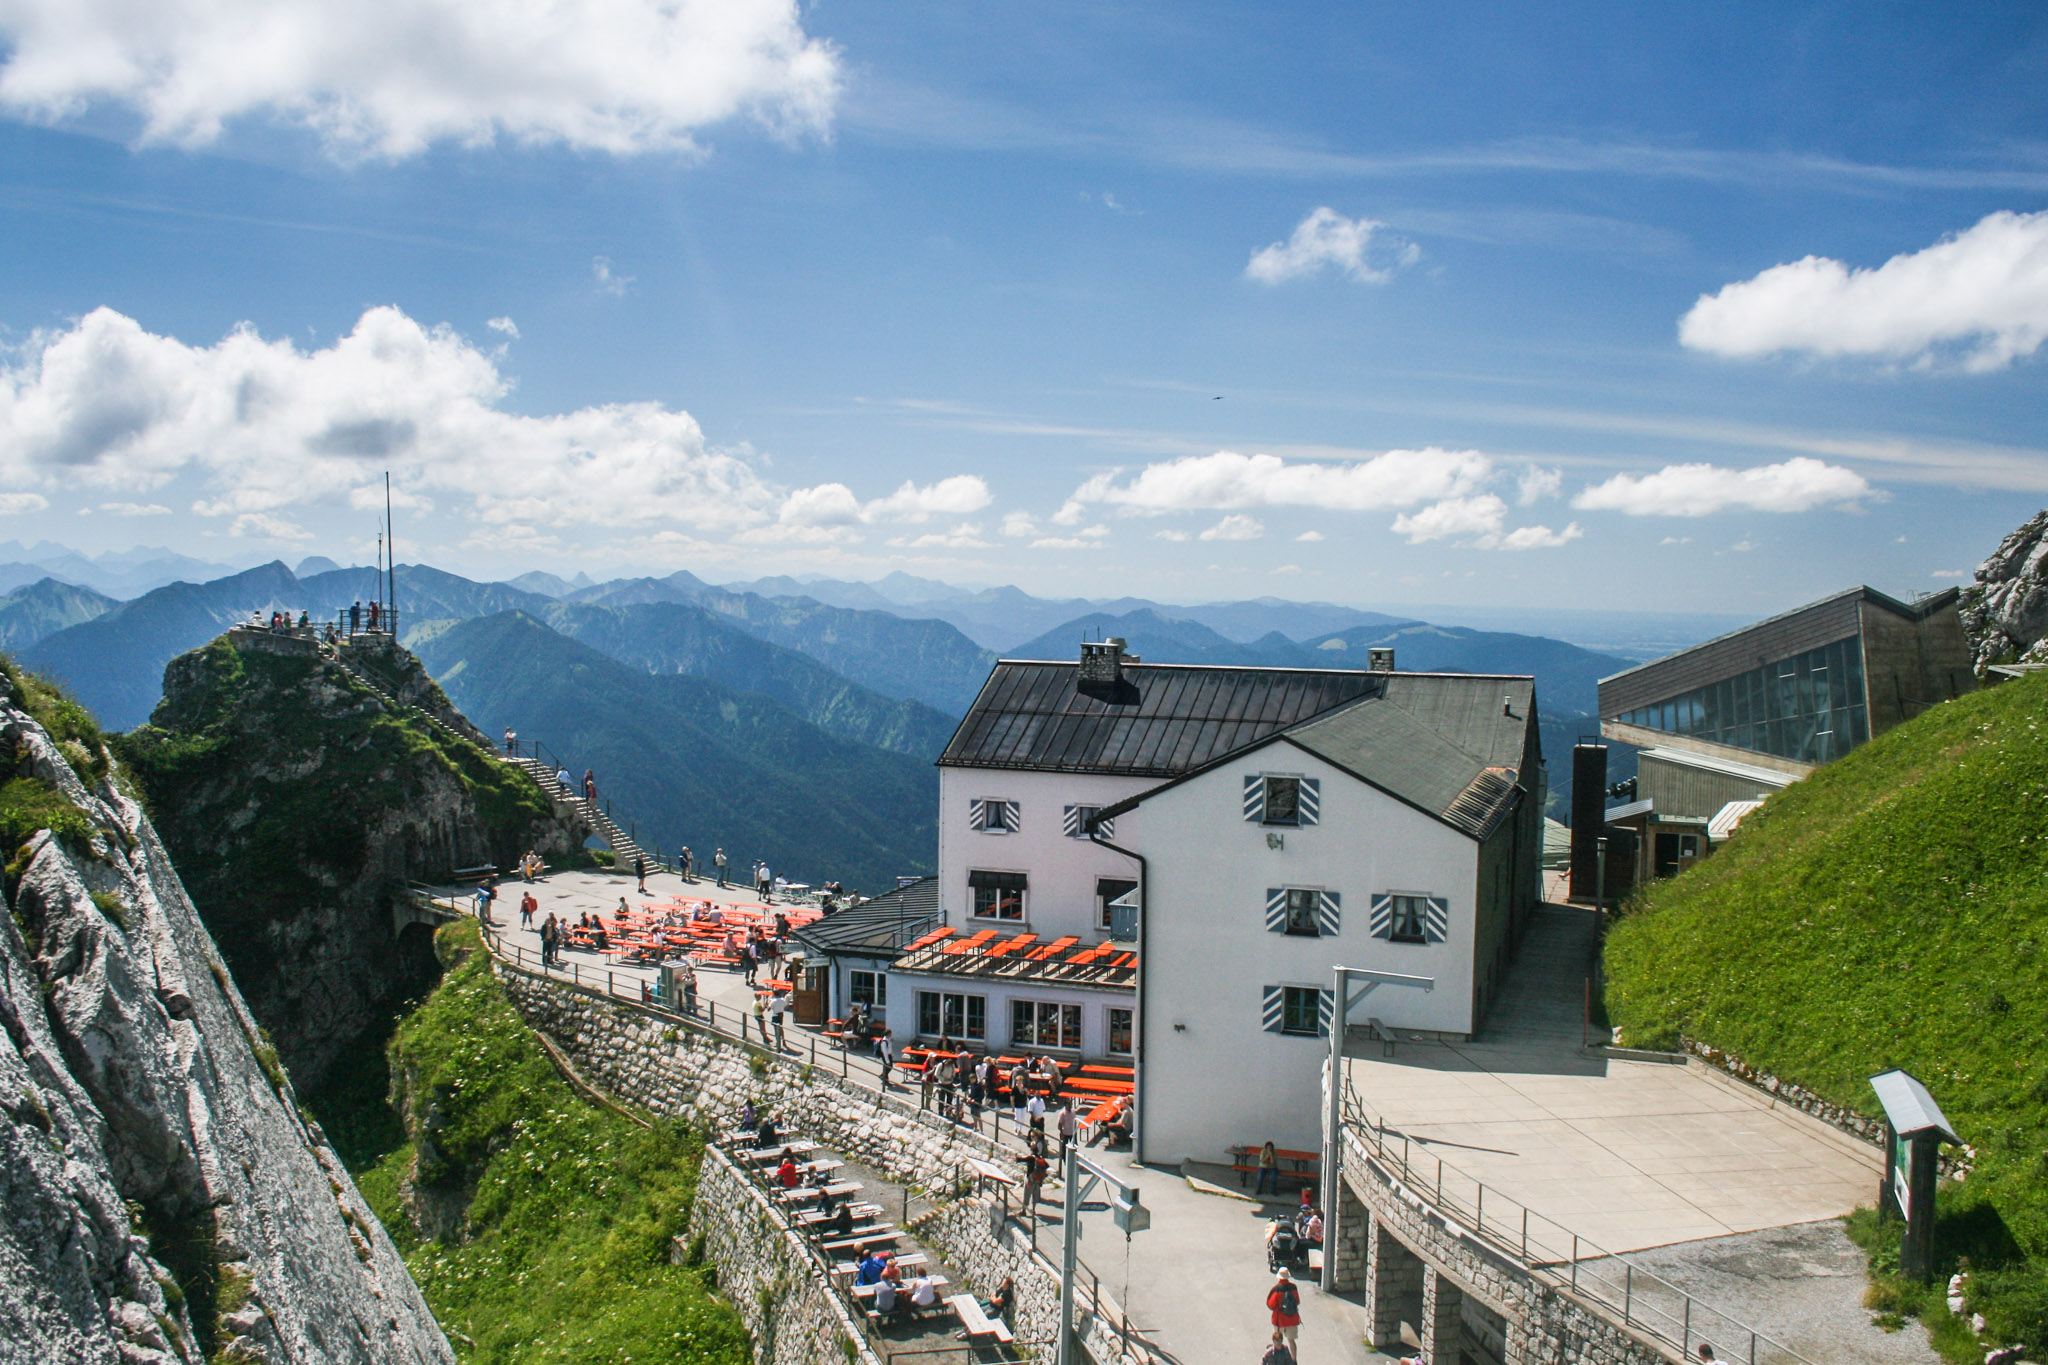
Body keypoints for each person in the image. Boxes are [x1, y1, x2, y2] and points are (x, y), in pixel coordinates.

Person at [1266, 1268, 1302, 1359]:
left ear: (1279, 1277)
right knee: (1291, 1341)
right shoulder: (1293, 1287)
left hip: (1279, 1321)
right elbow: (1297, 1301)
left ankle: (1278, 1361)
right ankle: (1294, 1360)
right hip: (1292, 1319)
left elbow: (1270, 1305)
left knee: (1278, 1342)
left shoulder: (1276, 1289)